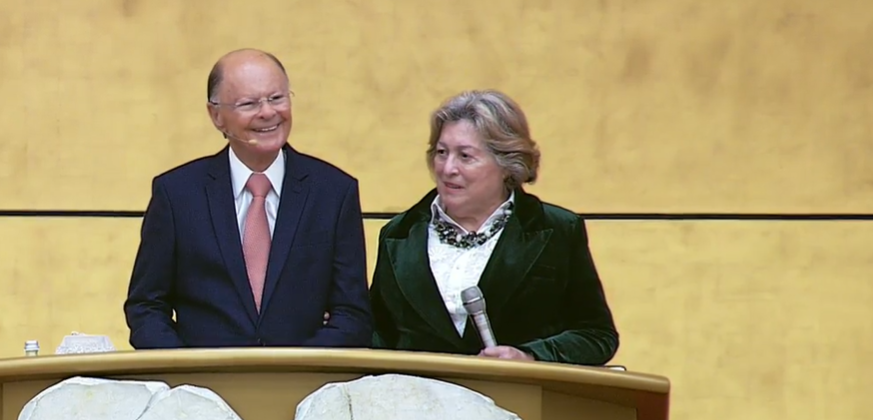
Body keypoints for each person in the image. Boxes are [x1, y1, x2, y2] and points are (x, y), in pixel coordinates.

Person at [124, 49, 372, 349]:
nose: (267, 112)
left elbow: (352, 313)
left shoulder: (333, 192)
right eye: (249, 103)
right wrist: (183, 373)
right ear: (216, 115)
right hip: (200, 387)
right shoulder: (177, 194)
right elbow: (146, 306)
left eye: (277, 98)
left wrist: (303, 370)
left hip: (306, 386)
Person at [369, 90, 618, 364]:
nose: (448, 168)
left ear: (507, 164)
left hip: (518, 401)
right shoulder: (399, 234)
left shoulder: (556, 230)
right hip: (420, 400)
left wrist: (530, 356)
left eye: (465, 156)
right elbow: (378, 335)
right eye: (441, 153)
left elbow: (596, 335)